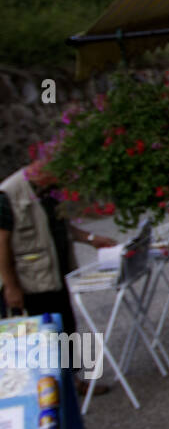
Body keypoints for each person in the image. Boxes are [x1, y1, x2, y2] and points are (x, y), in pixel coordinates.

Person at [0, 160, 117, 396]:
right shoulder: (8, 195)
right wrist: (11, 287)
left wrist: (92, 238)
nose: (62, 186)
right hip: (29, 280)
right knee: (35, 336)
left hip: (56, 273)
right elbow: (0, 244)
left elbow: (63, 226)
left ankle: (75, 381)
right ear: (41, 173)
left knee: (67, 327)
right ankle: (36, 393)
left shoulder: (48, 191)